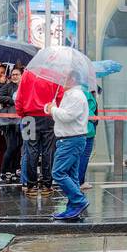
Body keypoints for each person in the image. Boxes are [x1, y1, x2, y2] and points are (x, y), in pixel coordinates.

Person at [46, 74, 92, 221]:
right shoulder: (69, 95)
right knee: (72, 176)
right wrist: (52, 109)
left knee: (58, 172)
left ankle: (78, 200)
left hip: (71, 140)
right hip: (69, 139)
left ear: (72, 80)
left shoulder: (76, 96)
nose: (60, 81)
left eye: (63, 78)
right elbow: (62, 117)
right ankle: (73, 206)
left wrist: (53, 109)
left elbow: (67, 116)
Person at [79, 83, 99, 189]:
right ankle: (80, 181)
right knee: (84, 156)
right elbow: (87, 110)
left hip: (78, 129)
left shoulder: (75, 90)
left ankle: (77, 180)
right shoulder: (86, 92)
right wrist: (94, 117)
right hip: (87, 129)